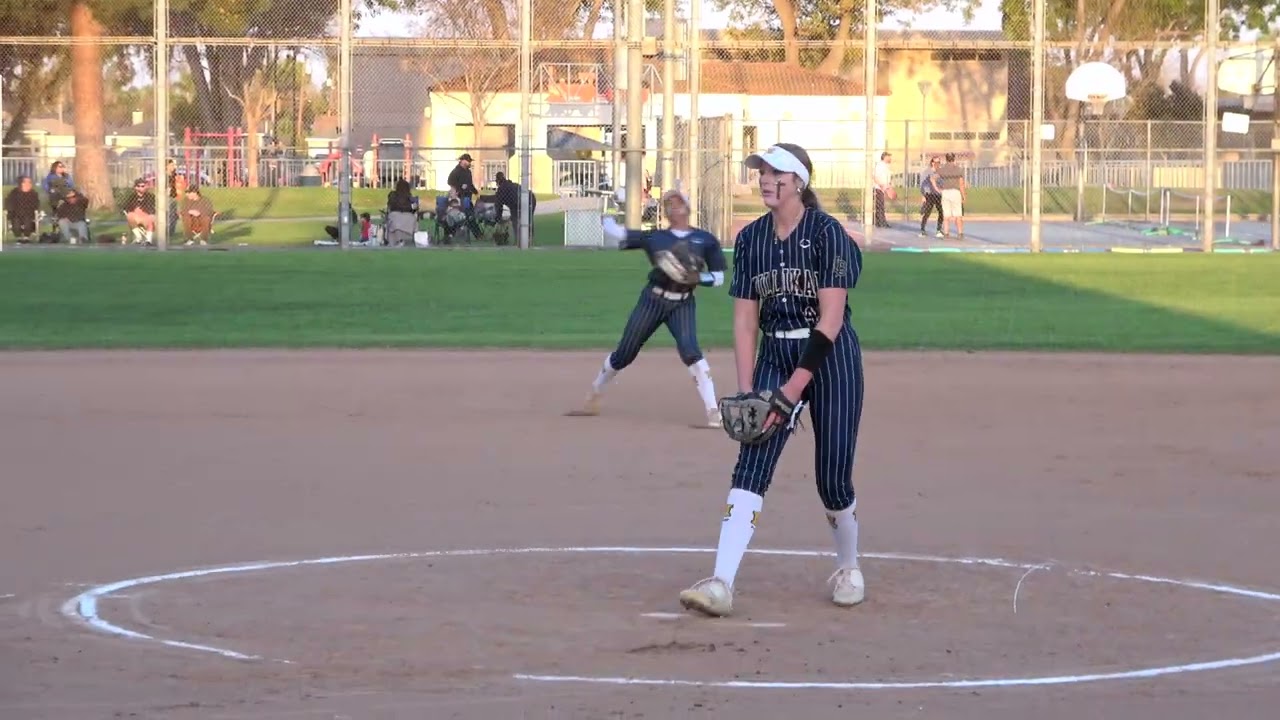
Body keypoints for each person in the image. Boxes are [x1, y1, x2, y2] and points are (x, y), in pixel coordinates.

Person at [678, 143, 866, 617]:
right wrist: (748, 391)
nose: (764, 177)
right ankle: (721, 581)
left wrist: (789, 393)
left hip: (829, 356)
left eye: (774, 171)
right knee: (752, 463)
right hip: (775, 350)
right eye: (760, 170)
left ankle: (848, 566)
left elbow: (831, 320)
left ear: (798, 181)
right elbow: (745, 322)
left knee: (833, 477)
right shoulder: (750, 239)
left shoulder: (828, 234)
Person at [566, 188, 728, 428]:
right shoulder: (655, 238)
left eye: (678, 202)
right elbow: (617, 232)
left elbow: (718, 278)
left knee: (691, 351)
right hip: (653, 300)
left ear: (688, 206)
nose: (674, 207)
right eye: (668, 204)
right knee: (625, 354)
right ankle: (595, 393)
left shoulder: (705, 240)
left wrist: (699, 279)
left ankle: (713, 412)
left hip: (682, 303)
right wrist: (606, 214)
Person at [937, 152, 967, 239]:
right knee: (958, 214)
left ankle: (946, 233)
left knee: (946, 215)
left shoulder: (942, 170)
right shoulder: (958, 169)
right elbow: (961, 183)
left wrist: (938, 188)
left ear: (946, 159)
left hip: (945, 192)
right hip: (955, 192)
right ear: (954, 159)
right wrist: (963, 195)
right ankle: (960, 233)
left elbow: (935, 178)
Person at [120, 179, 156, 244]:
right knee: (130, 215)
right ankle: (138, 237)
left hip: (146, 217)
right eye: (138, 186)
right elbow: (125, 208)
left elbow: (151, 209)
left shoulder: (150, 196)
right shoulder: (132, 197)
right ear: (135, 187)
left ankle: (148, 240)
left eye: (143, 186)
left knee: (151, 219)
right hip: (135, 217)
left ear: (146, 187)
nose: (140, 188)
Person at [5, 175, 41, 242]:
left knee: (27, 219)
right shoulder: (14, 192)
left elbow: (36, 204)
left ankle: (26, 237)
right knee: (16, 220)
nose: (30, 184)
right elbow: (9, 203)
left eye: (30, 182)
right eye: (27, 182)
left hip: (29, 213)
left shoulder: (33, 193)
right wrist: (11, 211)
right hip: (16, 213)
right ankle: (18, 237)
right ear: (21, 183)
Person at [919, 156, 944, 238]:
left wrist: (941, 190)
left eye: (939, 162)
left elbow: (942, 183)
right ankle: (922, 230)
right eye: (935, 162)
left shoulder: (940, 172)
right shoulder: (927, 172)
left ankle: (938, 230)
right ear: (932, 162)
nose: (937, 164)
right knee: (927, 212)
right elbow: (923, 184)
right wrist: (923, 195)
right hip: (929, 194)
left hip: (937, 195)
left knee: (941, 211)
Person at [873, 151, 893, 228]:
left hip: (884, 188)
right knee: (880, 205)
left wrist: (888, 186)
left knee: (882, 205)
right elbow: (875, 177)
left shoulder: (885, 166)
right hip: (879, 188)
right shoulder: (880, 165)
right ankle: (880, 222)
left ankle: (882, 221)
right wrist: (881, 186)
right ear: (885, 157)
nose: (890, 158)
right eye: (889, 157)